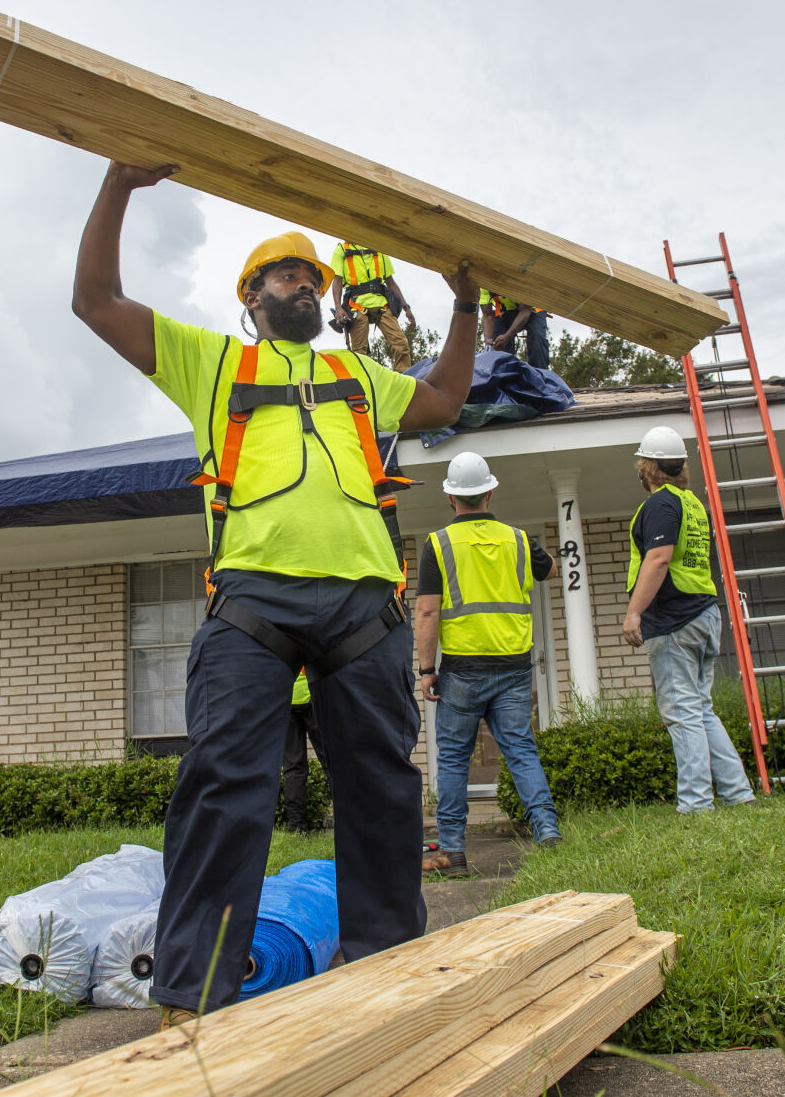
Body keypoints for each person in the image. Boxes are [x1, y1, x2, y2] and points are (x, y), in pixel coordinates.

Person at [71, 160, 479, 1024]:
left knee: (380, 784)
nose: (303, 282)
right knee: (225, 781)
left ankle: (385, 965)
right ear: (250, 296)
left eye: (312, 276)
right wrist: (118, 185)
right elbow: (96, 300)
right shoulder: (211, 361)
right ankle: (194, 991)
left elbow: (443, 396)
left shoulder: (361, 377)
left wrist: (467, 304)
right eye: (283, 274)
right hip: (252, 605)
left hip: (364, 608)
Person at [415, 452, 560, 873]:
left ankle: (454, 852)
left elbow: (426, 612)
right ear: (490, 492)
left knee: (455, 758)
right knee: (520, 749)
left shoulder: (438, 544)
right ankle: (547, 831)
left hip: (462, 669)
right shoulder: (517, 538)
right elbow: (548, 570)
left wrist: (426, 670)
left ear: (450, 497)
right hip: (514, 665)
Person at [620, 426, 755, 814]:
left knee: (682, 712)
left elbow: (659, 558)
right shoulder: (691, 503)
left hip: (675, 621)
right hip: (704, 613)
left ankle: (695, 805)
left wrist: (634, 613)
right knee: (700, 708)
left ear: (647, 466)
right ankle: (737, 793)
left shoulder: (661, 504)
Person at [330, 240, 415, 371]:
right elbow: (337, 280)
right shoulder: (342, 249)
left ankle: (403, 379)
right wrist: (338, 308)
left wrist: (406, 308)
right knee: (359, 353)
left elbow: (391, 282)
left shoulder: (379, 248)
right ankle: (363, 383)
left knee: (401, 345)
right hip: (356, 305)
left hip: (381, 305)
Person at [280, 669, 330, 833]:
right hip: (312, 694)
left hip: (287, 697)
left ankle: (297, 828)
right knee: (331, 760)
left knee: (293, 767)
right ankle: (350, 818)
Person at [481, 290, 549, 370]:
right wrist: (488, 339)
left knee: (537, 336)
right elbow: (487, 315)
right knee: (498, 346)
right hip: (506, 311)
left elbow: (525, 310)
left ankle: (539, 374)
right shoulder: (484, 286)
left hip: (532, 309)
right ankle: (504, 374)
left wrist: (507, 336)